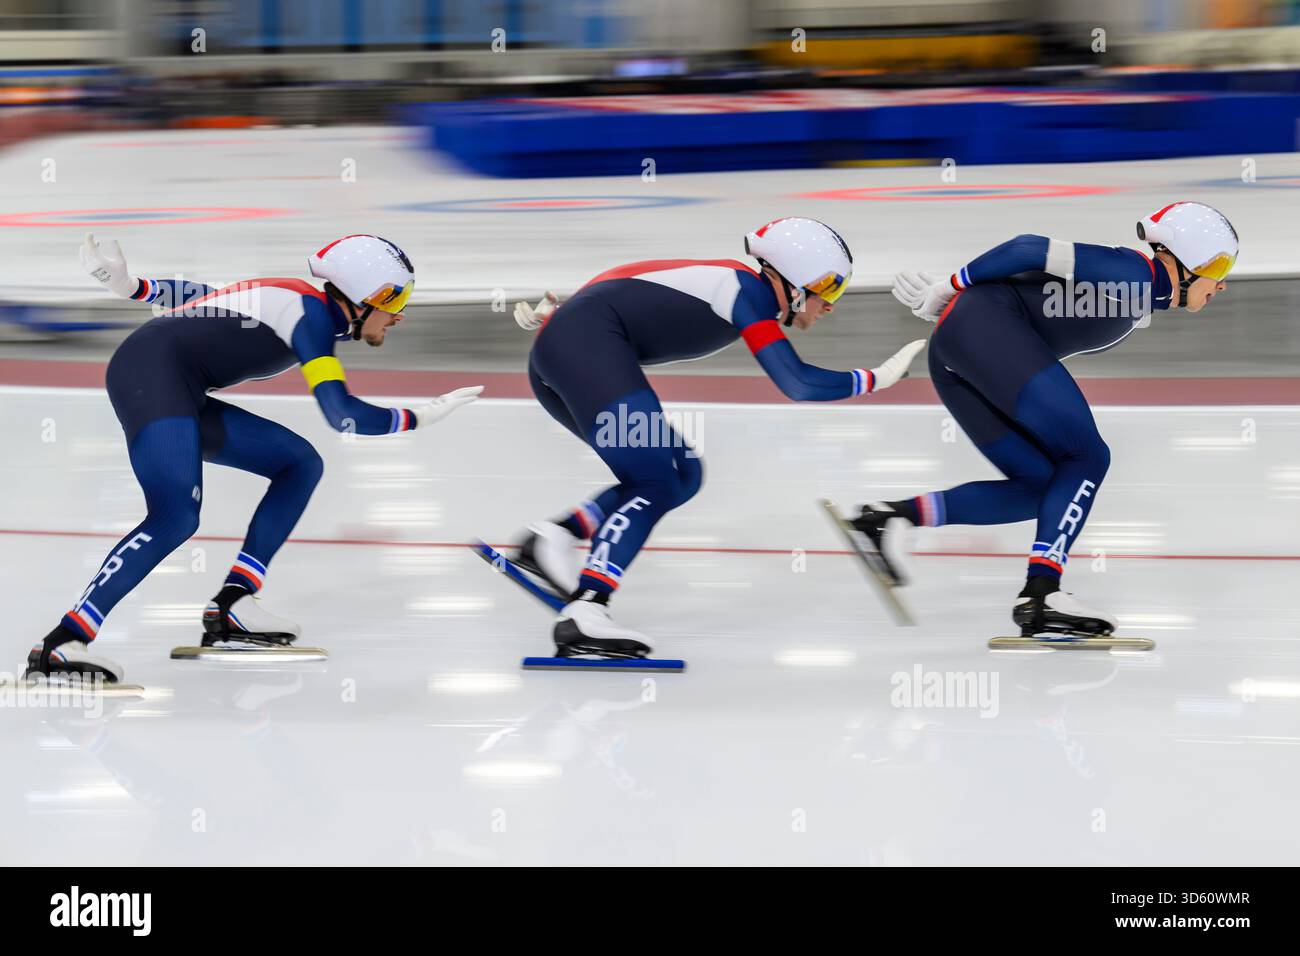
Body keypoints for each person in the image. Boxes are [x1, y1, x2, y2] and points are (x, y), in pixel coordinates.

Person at [27, 233, 482, 683]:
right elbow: (342, 415)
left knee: (299, 464)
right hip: (150, 373)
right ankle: (62, 642)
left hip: (171, 381)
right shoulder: (310, 317)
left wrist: (135, 288)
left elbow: (207, 299)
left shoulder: (301, 305)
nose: (400, 314)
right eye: (396, 298)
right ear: (364, 295)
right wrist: (421, 416)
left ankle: (232, 605)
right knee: (175, 517)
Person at [512, 217, 926, 659]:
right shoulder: (747, 291)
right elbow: (797, 383)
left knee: (683, 472)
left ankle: (552, 538)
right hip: (581, 349)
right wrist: (875, 379)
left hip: (566, 355)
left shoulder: (730, 280)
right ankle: (586, 610)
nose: (830, 307)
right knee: (655, 480)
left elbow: (624, 277)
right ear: (800, 280)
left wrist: (567, 316)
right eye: (831, 291)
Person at [860, 201, 1238, 637]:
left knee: (1041, 487)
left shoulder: (1140, 299)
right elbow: (1028, 248)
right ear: (1185, 256)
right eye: (1220, 264)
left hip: (959, 352)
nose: (1223, 283)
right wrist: (952, 287)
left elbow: (1037, 297)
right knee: (1086, 456)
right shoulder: (1134, 275)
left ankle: (891, 517)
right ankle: (1041, 592)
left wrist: (961, 308)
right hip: (979, 333)